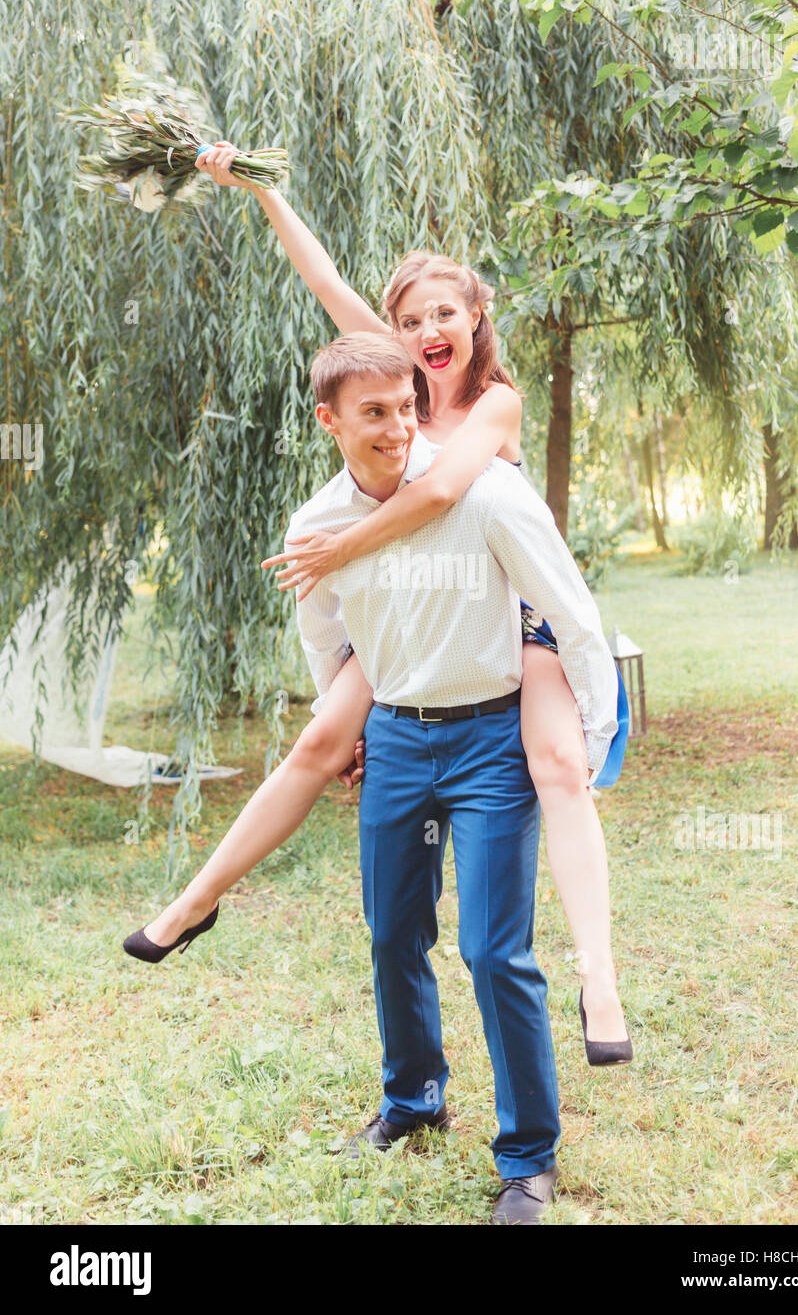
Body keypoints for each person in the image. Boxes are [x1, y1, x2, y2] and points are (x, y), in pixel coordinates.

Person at [125, 140, 631, 1063]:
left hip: (506, 609)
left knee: (558, 762)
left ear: (478, 318)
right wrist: (261, 190)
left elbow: (438, 498)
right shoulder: (394, 379)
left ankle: (599, 982)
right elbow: (320, 278)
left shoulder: (493, 406)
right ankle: (194, 899)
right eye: (408, 319)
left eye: (445, 312)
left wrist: (328, 552)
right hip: (408, 616)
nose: (426, 329)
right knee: (320, 739)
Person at [286, 331, 621, 1221]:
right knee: (394, 934)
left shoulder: (485, 493)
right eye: (374, 414)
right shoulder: (318, 526)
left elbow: (570, 608)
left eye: (406, 407)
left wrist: (595, 729)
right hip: (395, 737)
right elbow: (325, 637)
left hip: (488, 744)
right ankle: (413, 1099)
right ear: (330, 422)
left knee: (492, 950)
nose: (398, 427)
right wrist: (349, 730)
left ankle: (528, 1158)